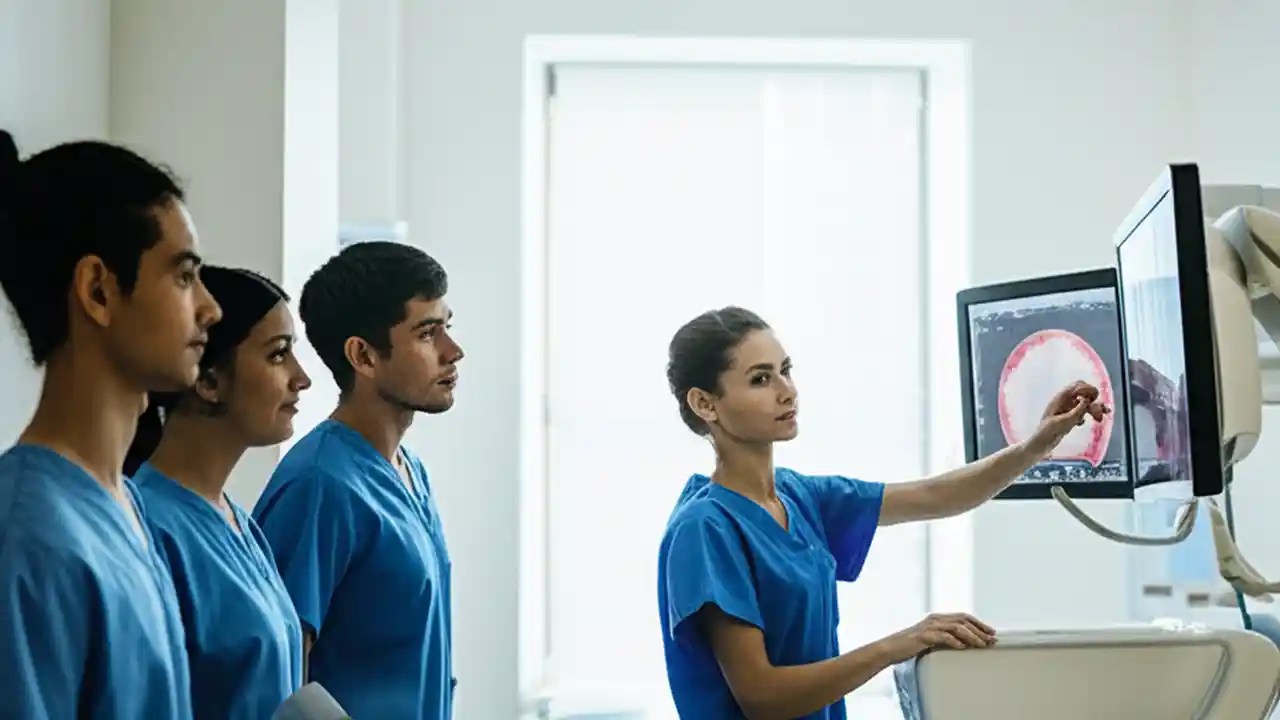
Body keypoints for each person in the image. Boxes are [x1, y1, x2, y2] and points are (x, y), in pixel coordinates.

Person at [658, 306, 1108, 720]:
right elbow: (762, 697)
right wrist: (899, 644)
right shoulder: (705, 529)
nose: (787, 391)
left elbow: (938, 495)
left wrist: (1036, 446)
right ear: (705, 403)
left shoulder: (799, 496)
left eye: (786, 371)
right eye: (761, 379)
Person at [0, 130, 222, 718]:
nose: (210, 308)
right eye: (183, 276)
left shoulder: (122, 505)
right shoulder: (27, 537)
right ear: (98, 290)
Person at [252, 241, 462, 719]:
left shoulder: (410, 473)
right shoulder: (319, 485)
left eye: (447, 327)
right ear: (364, 356)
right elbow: (283, 682)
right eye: (428, 333)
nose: (453, 351)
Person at [124, 266, 311, 720]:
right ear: (208, 381)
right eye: (278, 354)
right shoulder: (149, 530)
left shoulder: (238, 523)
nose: (301, 377)